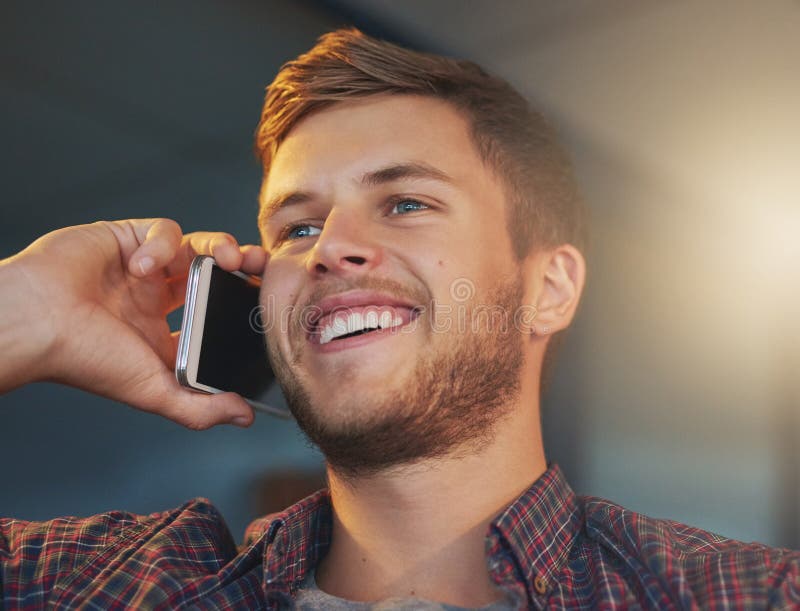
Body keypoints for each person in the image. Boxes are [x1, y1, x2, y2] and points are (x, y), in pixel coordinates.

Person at [0, 27, 797, 610]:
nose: (330, 249)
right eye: (297, 227)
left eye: (406, 202)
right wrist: (24, 314)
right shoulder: (109, 584)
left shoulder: (743, 596)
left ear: (549, 288)